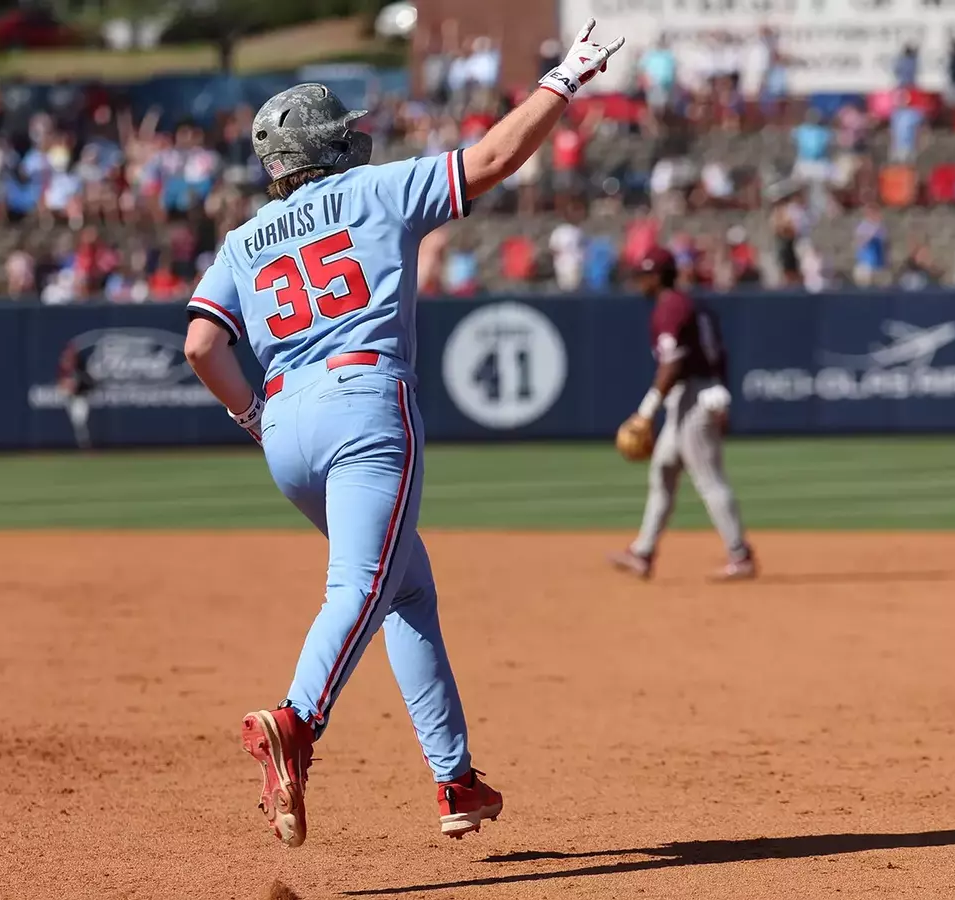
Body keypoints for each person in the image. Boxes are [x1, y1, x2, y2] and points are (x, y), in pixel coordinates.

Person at [181, 20, 626, 848]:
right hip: (363, 401)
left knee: (404, 588)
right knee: (359, 584)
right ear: (328, 146)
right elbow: (491, 160)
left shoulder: (241, 241)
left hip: (284, 423)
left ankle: (455, 780)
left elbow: (202, 345)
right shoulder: (377, 190)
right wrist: (565, 76)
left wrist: (252, 416)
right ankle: (295, 720)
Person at [608, 246, 756, 582]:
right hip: (699, 393)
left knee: (709, 479)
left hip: (693, 396)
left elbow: (672, 364)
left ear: (657, 277)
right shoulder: (691, 303)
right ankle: (642, 552)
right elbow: (718, 352)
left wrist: (645, 413)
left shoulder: (670, 307)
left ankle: (740, 554)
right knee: (662, 471)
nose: (638, 283)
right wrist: (721, 392)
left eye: (642, 276)